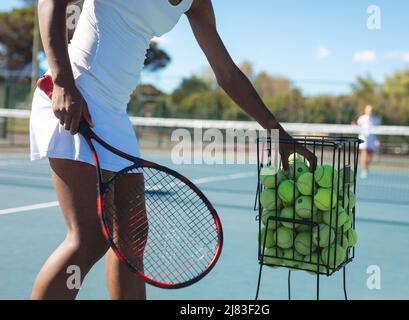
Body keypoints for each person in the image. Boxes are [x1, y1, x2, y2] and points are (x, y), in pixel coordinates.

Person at [30, 0, 317, 300]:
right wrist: (63, 81)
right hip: (76, 95)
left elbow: (226, 73)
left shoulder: (197, 4)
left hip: (114, 113)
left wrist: (277, 131)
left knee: (132, 238)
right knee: (89, 238)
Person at [357, 105, 380, 179]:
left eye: (371, 111)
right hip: (363, 138)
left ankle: (366, 167)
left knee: (370, 156)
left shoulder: (376, 119)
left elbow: (378, 131)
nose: (370, 112)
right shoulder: (361, 118)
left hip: (372, 139)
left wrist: (377, 139)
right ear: (366, 111)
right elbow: (357, 127)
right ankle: (364, 170)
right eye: (369, 111)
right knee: (364, 153)